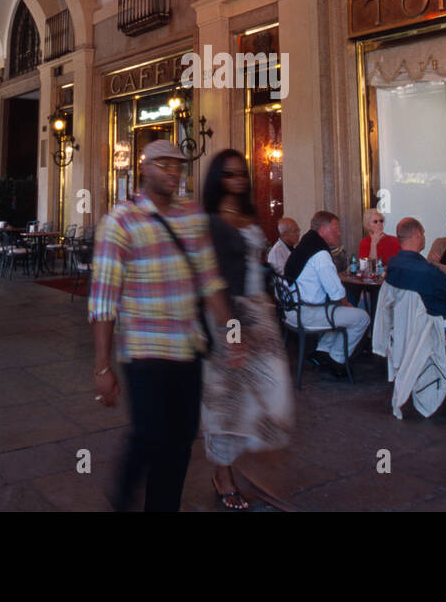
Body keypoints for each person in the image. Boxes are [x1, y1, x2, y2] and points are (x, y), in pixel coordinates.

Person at [89, 139, 243, 513]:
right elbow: (103, 299)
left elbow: (209, 281)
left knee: (180, 440)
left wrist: (233, 332)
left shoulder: (191, 216)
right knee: (150, 434)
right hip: (143, 350)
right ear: (144, 168)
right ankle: (124, 491)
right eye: (164, 165)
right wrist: (103, 367)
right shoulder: (120, 221)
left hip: (186, 348)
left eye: (178, 166)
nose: (173, 172)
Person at [200, 149, 293, 510]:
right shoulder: (212, 221)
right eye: (229, 174)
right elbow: (214, 282)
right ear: (216, 180)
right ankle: (223, 474)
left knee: (273, 387)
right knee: (229, 399)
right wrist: (232, 331)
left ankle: (249, 458)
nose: (238, 180)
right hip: (231, 315)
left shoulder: (246, 215)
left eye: (241, 174)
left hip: (258, 311)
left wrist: (264, 306)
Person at [283, 210, 371, 377]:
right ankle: (337, 360)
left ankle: (322, 352)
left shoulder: (305, 244)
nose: (339, 233)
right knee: (361, 317)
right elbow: (336, 292)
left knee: (337, 310)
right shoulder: (321, 254)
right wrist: (347, 304)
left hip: (293, 310)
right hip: (306, 313)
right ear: (322, 230)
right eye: (335, 229)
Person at [386, 217, 446, 317]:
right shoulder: (428, 271)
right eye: (423, 233)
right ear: (418, 234)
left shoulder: (392, 264)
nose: (423, 237)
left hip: (400, 321)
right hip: (432, 323)